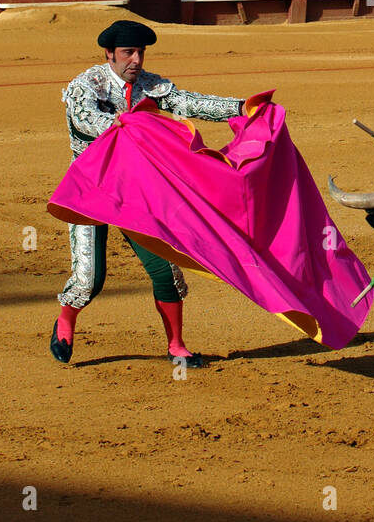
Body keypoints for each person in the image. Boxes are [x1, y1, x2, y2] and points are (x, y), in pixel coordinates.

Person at [51, 21, 249, 366]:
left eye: (141, 53)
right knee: (88, 279)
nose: (136, 60)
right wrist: (125, 126)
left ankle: (176, 346)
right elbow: (85, 120)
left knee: (166, 269)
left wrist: (241, 107)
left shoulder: (150, 85)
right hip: (91, 190)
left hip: (134, 190)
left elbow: (187, 103)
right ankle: (65, 322)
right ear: (110, 54)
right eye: (129, 53)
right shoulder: (86, 86)